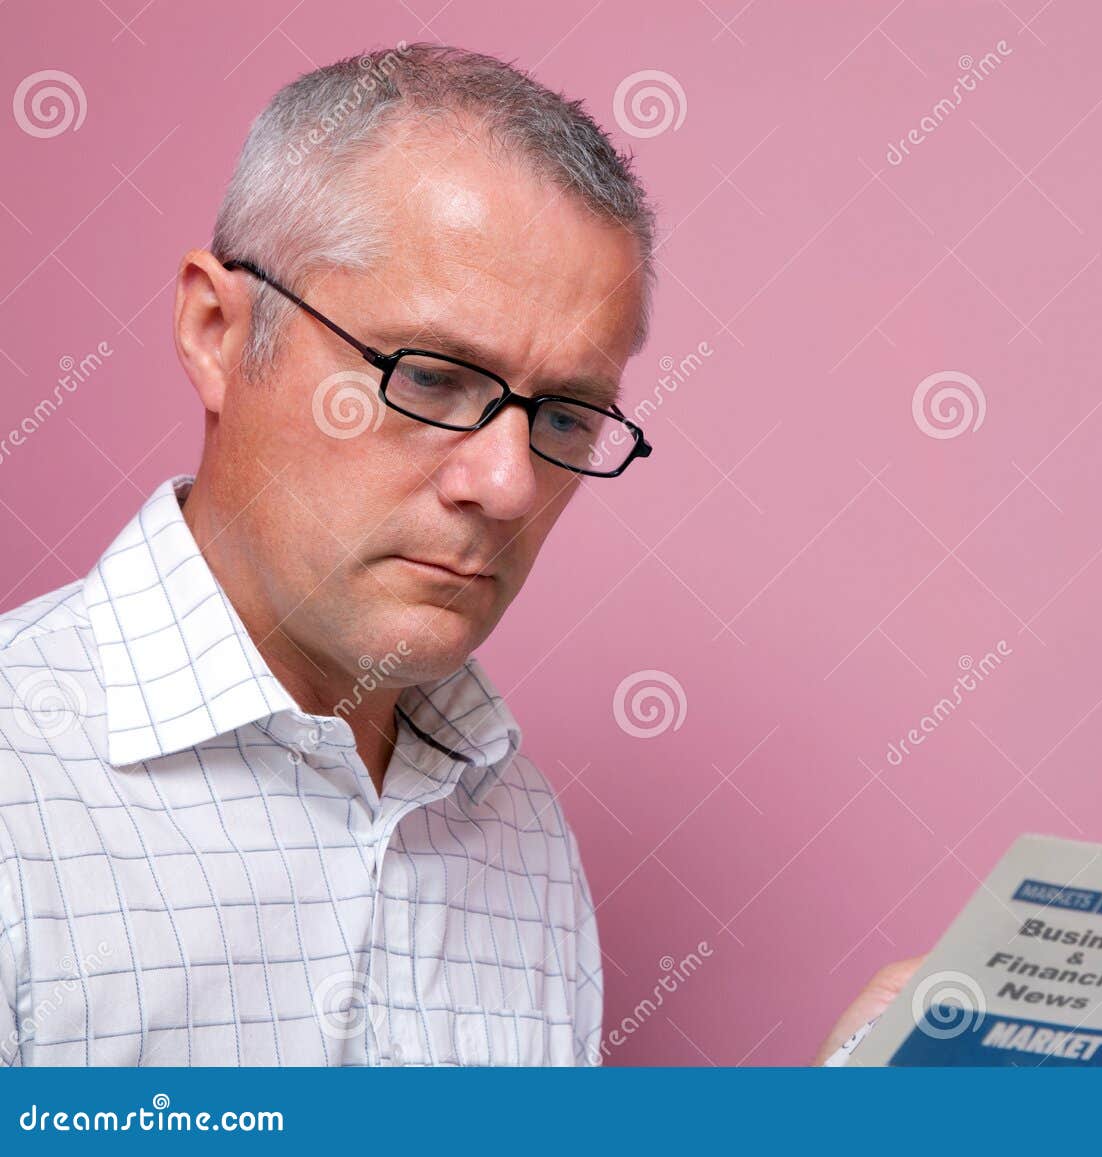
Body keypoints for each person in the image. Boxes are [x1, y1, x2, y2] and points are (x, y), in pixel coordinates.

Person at [0, 43, 904, 1066]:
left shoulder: (514, 827)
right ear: (216, 330)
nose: (509, 484)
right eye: (428, 377)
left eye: (565, 415)